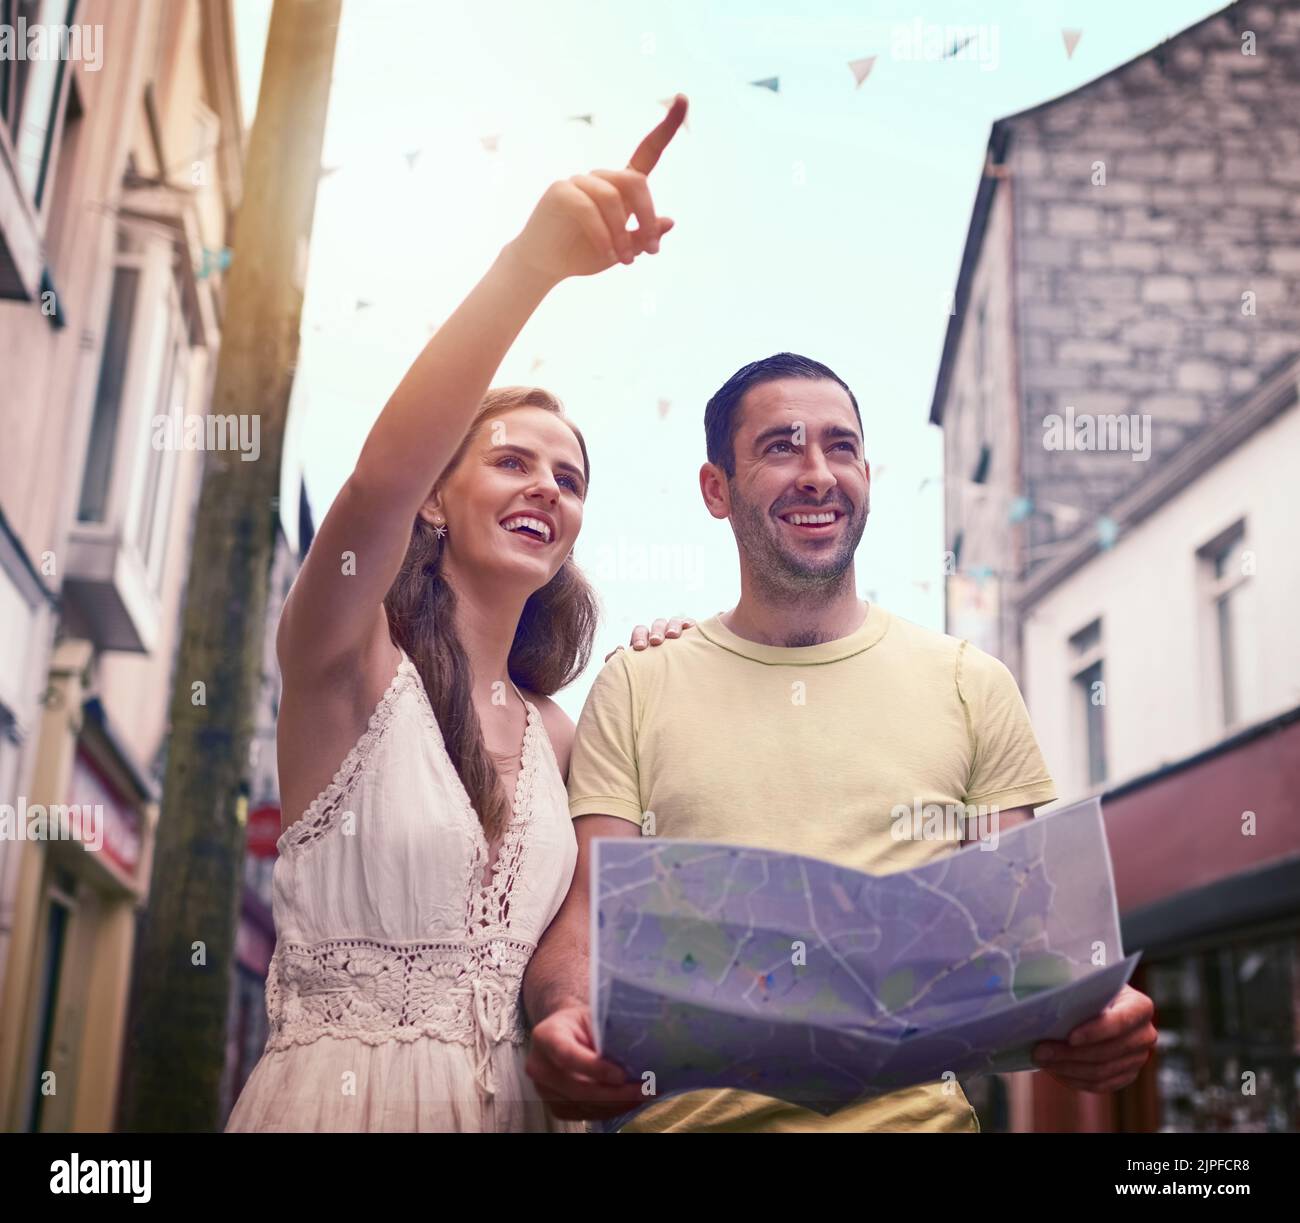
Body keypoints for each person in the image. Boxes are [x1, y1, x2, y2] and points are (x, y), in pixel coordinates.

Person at [522, 352, 1159, 1132]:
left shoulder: (972, 683)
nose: (819, 473)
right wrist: (560, 1015)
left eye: (842, 446)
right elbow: (588, 917)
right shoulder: (637, 682)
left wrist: (1103, 1003)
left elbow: (1023, 937)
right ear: (716, 489)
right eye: (781, 446)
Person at [225, 95, 690, 1132]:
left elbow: (619, 916)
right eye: (511, 460)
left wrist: (667, 671)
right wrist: (533, 262)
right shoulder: (344, 657)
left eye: (568, 478)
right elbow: (376, 482)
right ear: (438, 495)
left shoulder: (563, 734)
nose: (545, 488)